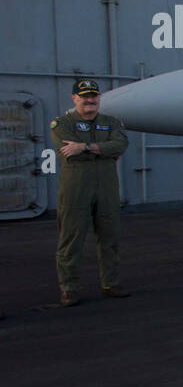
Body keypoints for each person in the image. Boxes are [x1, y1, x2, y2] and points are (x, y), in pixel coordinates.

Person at [50, 79, 130, 306]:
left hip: (106, 187)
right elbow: (69, 153)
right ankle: (69, 288)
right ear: (74, 98)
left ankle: (110, 284)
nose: (90, 100)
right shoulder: (62, 124)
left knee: (110, 236)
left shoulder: (111, 122)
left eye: (93, 95)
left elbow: (120, 145)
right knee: (71, 239)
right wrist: (103, 150)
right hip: (75, 188)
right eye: (84, 96)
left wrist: (85, 147)